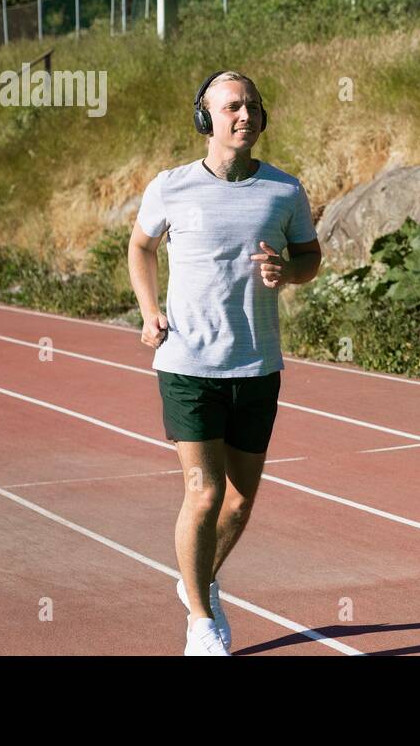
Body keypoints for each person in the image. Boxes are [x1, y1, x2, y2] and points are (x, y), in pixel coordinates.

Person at [128, 70, 322, 656]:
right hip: (187, 363)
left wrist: (288, 273)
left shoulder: (284, 191)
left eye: (254, 107)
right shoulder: (171, 186)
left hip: (257, 365)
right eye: (233, 107)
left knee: (239, 501)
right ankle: (201, 621)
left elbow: (310, 255)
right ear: (204, 118)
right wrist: (148, 310)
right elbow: (140, 246)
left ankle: (196, 579)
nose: (245, 116)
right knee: (205, 493)